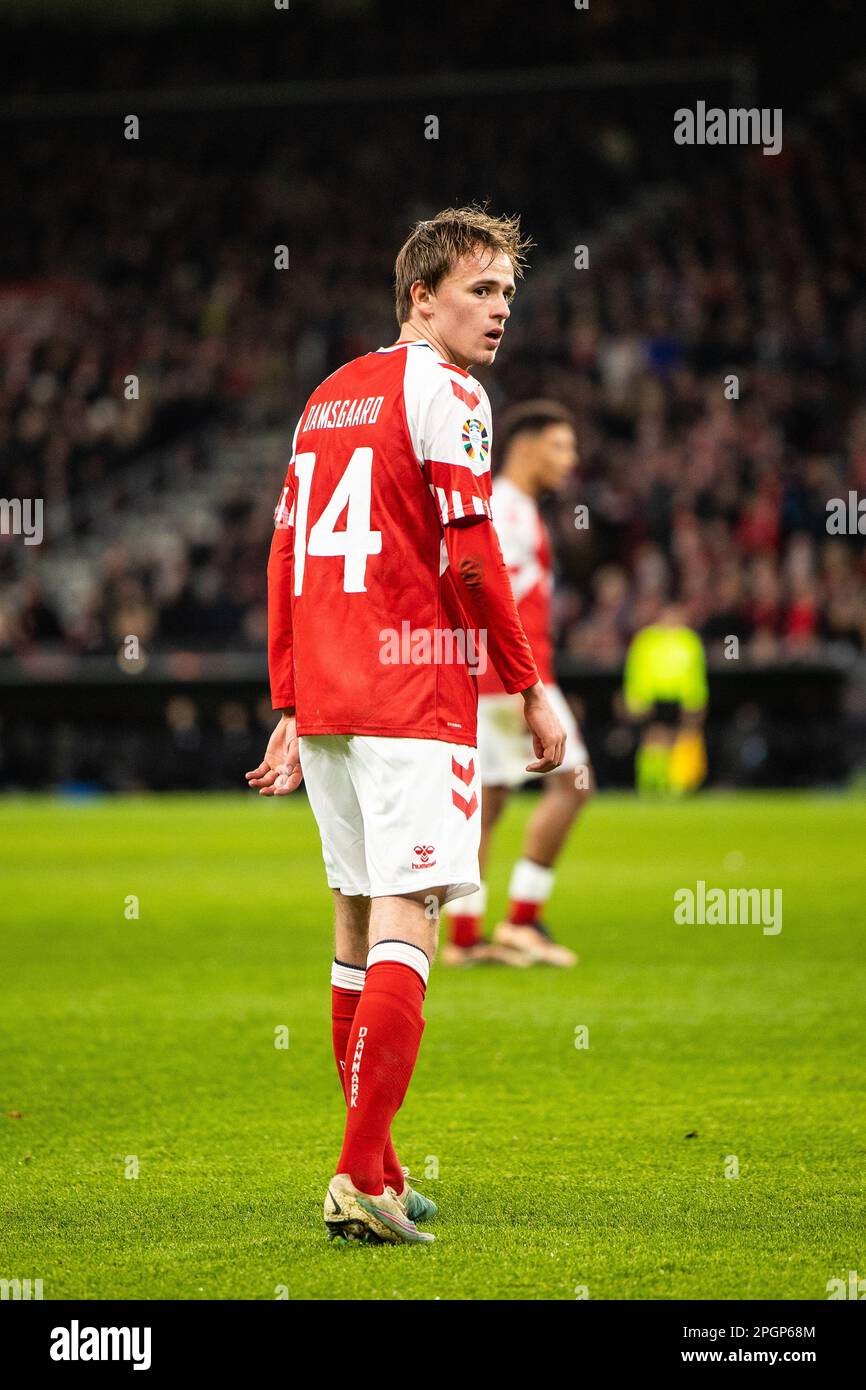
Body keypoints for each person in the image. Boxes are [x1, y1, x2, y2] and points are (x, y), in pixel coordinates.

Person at [246, 206, 567, 1246]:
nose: (499, 310)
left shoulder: (327, 395)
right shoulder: (450, 392)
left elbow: (285, 557)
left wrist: (289, 700)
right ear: (420, 297)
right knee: (409, 918)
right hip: (412, 693)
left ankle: (378, 1162)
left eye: (506, 294)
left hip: (333, 698)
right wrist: (527, 684)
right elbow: (471, 554)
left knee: (353, 929)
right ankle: (356, 1177)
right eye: (480, 290)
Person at [442, 401, 592, 968]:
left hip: (489, 675)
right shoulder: (505, 506)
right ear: (525, 447)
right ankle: (524, 921)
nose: (570, 459)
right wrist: (520, 677)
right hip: (516, 677)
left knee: (488, 800)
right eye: (560, 446)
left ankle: (465, 936)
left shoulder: (509, 504)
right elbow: (476, 580)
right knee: (574, 784)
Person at [622, 602, 708, 795]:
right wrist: (636, 697)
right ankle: (651, 782)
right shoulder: (647, 639)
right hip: (653, 697)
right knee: (654, 738)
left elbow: (696, 673)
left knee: (681, 739)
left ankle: (676, 783)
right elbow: (636, 669)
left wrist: (696, 700)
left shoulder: (689, 640)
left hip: (681, 698)